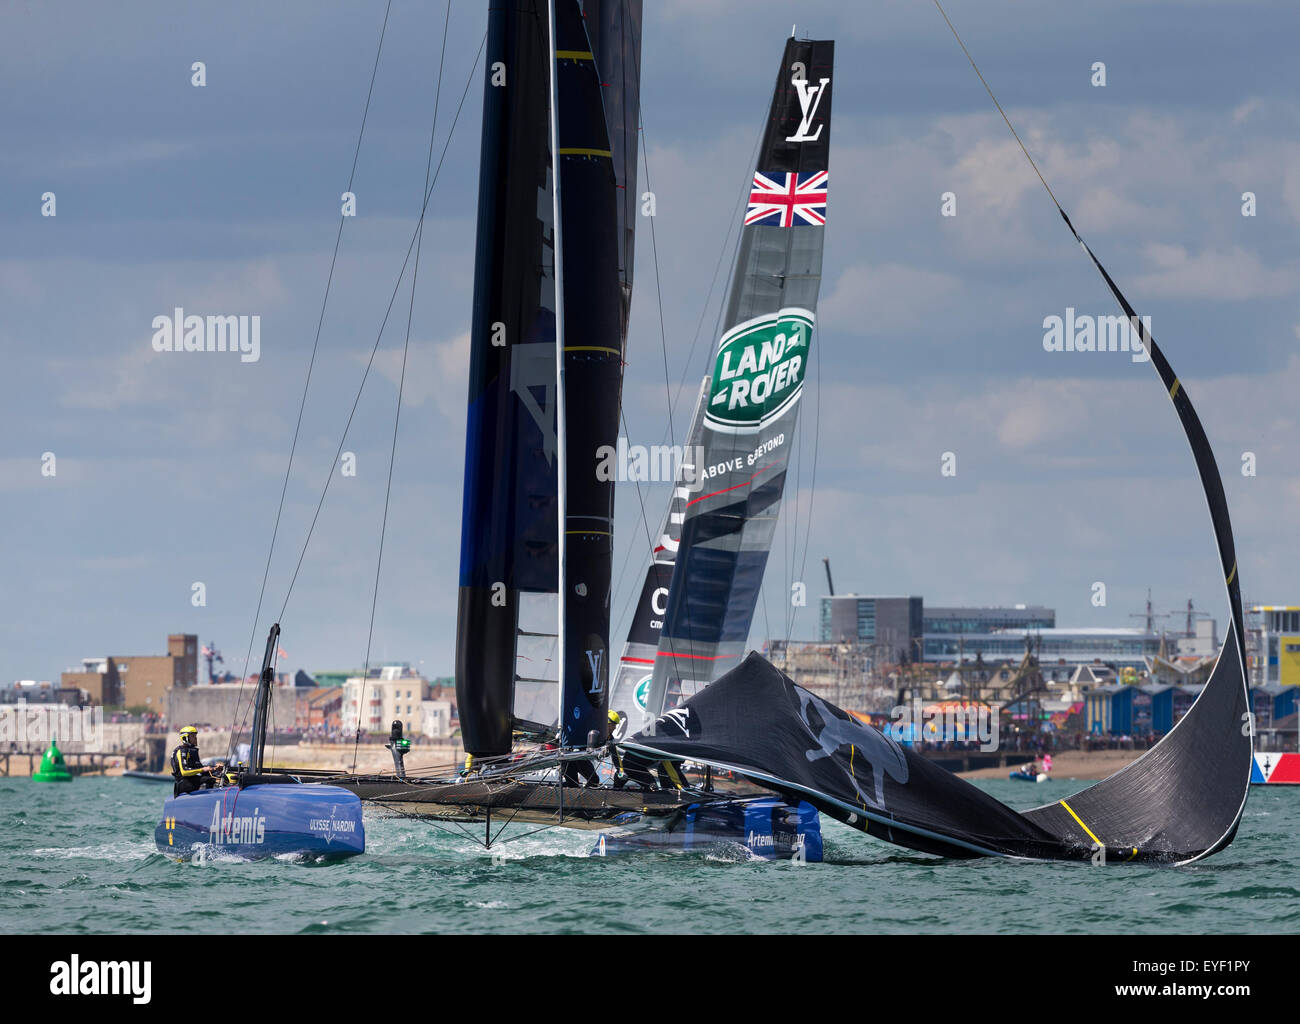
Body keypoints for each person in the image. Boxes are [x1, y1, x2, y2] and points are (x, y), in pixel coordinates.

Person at [170, 726, 223, 797]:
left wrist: (215, 768)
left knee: (218, 777)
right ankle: (210, 798)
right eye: (192, 736)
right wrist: (202, 769)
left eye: (195, 736)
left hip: (192, 780)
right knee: (210, 780)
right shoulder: (181, 751)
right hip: (183, 783)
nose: (195, 738)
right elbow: (184, 772)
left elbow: (200, 768)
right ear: (185, 738)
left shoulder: (192, 750)